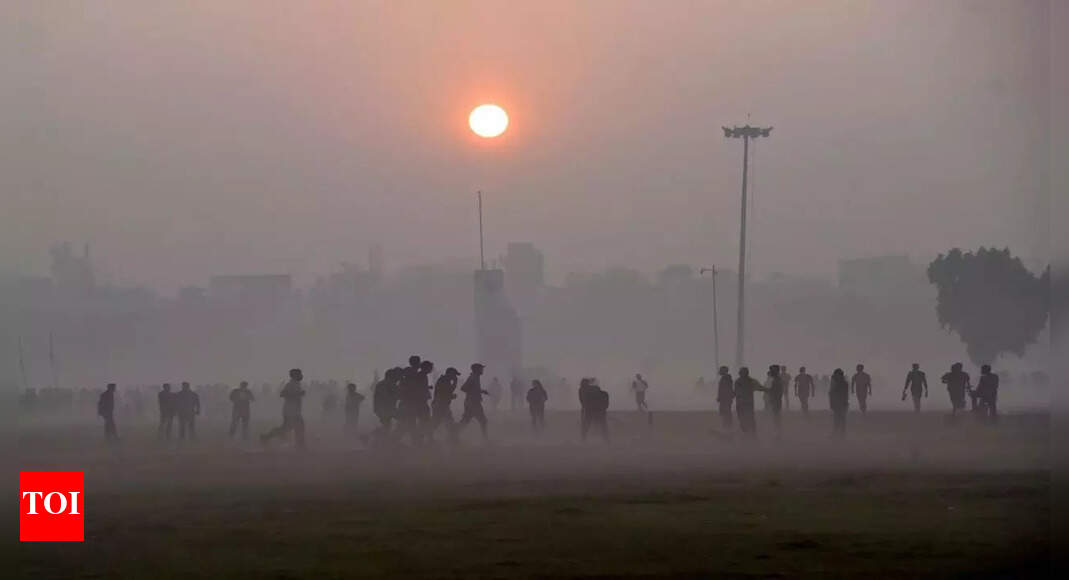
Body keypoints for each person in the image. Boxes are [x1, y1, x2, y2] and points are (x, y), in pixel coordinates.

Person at [261, 368, 306, 448]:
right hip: (290, 411)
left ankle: (266, 437)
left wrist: (298, 394)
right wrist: (298, 394)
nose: (301, 375)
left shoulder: (297, 384)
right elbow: (283, 394)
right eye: (299, 374)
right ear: (295, 376)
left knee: (286, 428)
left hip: (294, 411)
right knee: (298, 427)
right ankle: (300, 444)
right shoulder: (290, 384)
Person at [458, 363, 489, 441]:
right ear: (477, 369)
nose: (482, 370)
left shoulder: (475, 377)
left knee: (465, 420)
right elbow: (463, 388)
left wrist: (481, 391)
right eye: (481, 368)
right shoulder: (473, 378)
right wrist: (474, 392)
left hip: (471, 402)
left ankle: (454, 434)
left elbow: (473, 389)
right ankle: (485, 438)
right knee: (483, 421)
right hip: (473, 403)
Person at [733, 367, 765, 437]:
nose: (741, 374)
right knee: (742, 418)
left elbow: (760, 387)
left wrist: (768, 390)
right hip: (743, 403)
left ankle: (752, 432)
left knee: (749, 417)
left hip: (746, 403)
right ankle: (747, 431)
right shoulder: (738, 381)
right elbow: (735, 392)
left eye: (742, 372)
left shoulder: (750, 381)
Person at [431, 367, 460, 442]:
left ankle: (452, 439)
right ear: (450, 373)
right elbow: (446, 393)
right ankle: (452, 439)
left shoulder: (445, 380)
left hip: (441, 404)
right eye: (454, 375)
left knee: (440, 422)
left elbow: (446, 392)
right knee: (440, 422)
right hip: (440, 405)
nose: (455, 377)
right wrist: (455, 383)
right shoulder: (444, 380)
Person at [373, 368, 401, 432]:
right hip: (383, 409)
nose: (397, 378)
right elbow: (387, 397)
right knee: (387, 426)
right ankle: (373, 436)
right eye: (395, 376)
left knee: (387, 426)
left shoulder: (390, 384)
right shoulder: (383, 384)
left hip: (387, 409)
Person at [829, 368, 849, 438]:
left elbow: (832, 393)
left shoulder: (842, 383)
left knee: (841, 418)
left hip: (841, 403)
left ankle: (840, 433)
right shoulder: (838, 382)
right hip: (838, 403)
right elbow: (831, 393)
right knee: (838, 418)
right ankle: (838, 433)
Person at [765, 365, 784, 437]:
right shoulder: (774, 379)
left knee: (776, 415)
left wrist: (775, 398)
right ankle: (777, 430)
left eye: (772, 370)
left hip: (776, 399)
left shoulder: (777, 379)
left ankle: (777, 430)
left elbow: (779, 390)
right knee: (775, 415)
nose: (771, 371)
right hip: (774, 399)